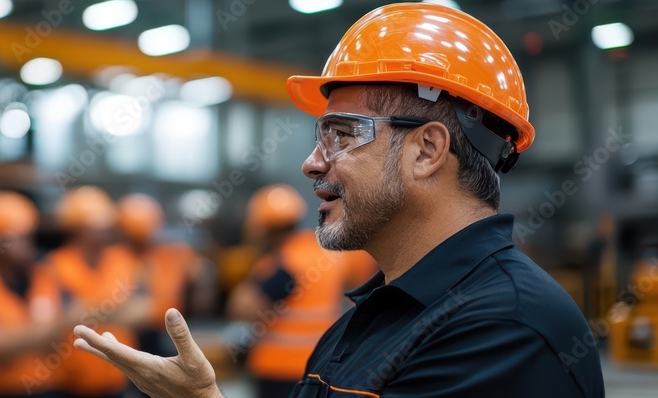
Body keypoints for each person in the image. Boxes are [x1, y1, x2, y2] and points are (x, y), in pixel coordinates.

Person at [70, 3, 605, 397]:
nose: (311, 163)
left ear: (427, 151)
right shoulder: (372, 319)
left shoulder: (504, 330)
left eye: (341, 135)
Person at [226, 184, 376, 397]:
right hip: (319, 364)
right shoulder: (322, 253)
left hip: (278, 368)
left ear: (262, 228)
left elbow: (241, 310)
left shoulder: (283, 264)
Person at [0, 191, 67, 398]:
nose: (29, 243)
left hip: (48, 389)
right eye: (20, 237)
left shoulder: (45, 276)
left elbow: (61, 340)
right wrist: (45, 333)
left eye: (30, 236)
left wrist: (16, 339)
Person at [47, 186, 148, 398]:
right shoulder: (55, 265)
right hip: (69, 380)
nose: (104, 229)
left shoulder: (124, 259)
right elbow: (61, 319)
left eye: (105, 223)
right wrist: (117, 310)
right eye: (94, 224)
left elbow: (143, 311)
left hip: (120, 374)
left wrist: (85, 311)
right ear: (76, 228)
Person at [116, 193, 204, 358]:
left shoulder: (174, 253)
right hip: (131, 334)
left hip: (167, 331)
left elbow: (200, 287)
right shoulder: (116, 257)